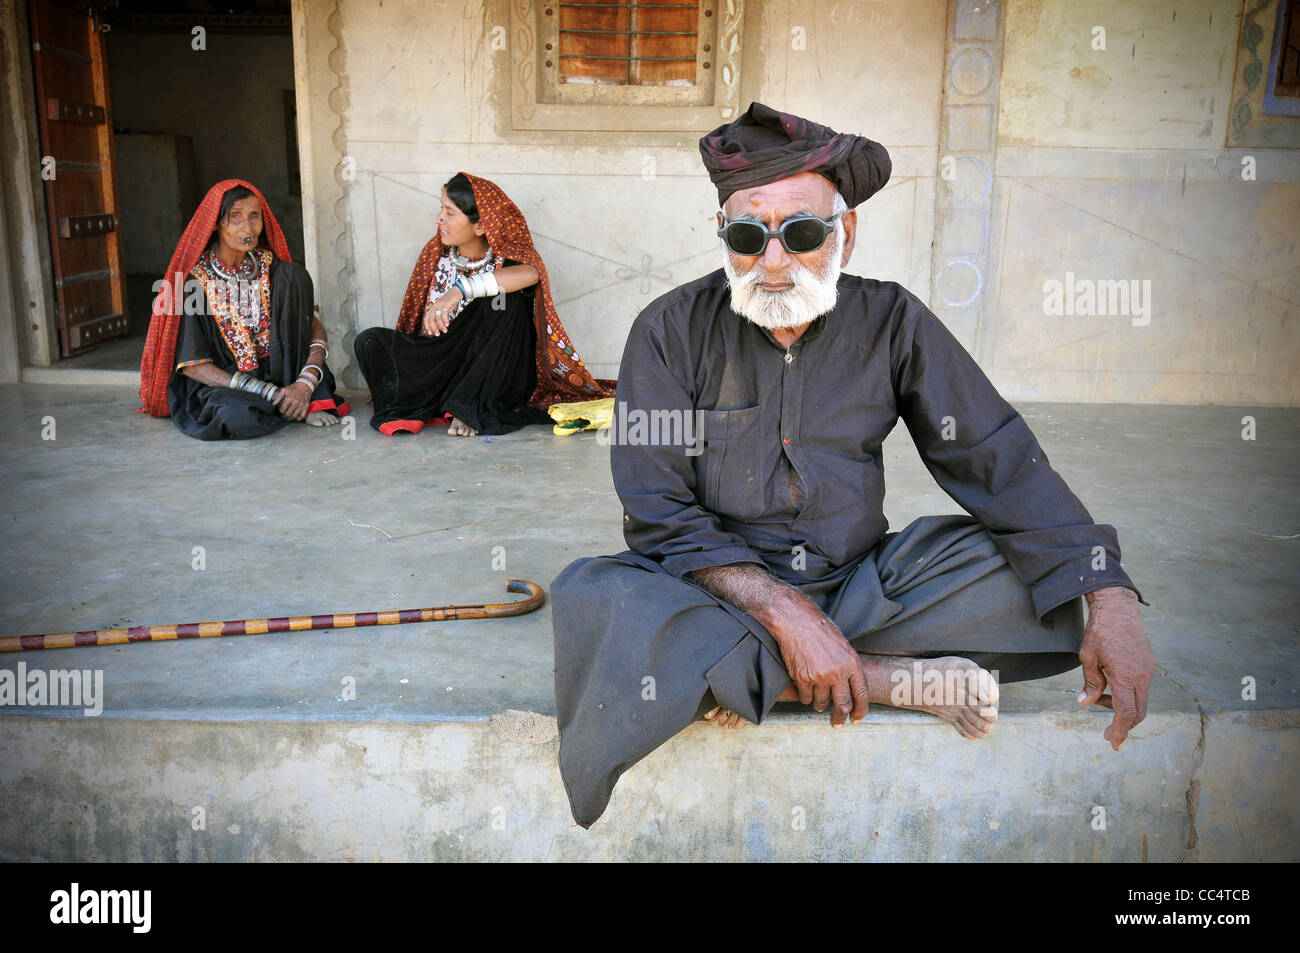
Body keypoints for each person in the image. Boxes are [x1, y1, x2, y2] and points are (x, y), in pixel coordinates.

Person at [550, 103, 1156, 828]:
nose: (773, 262)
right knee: (601, 598)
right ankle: (875, 673)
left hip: (867, 586)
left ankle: (748, 675)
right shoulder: (668, 330)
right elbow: (656, 510)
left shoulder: (892, 321)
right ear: (723, 236)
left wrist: (1109, 595)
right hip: (723, 589)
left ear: (847, 231)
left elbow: (997, 457)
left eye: (802, 234)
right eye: (748, 237)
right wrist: (785, 612)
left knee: (1024, 569)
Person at [354, 172, 613, 436]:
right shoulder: (434, 253)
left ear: (480, 225)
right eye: (441, 209)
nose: (439, 219)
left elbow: (531, 273)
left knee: (502, 301)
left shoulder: (510, 258)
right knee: (369, 341)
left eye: (449, 212)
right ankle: (440, 400)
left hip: (491, 369)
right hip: (442, 360)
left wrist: (461, 290)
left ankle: (471, 406)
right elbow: (413, 325)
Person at [138, 179, 350, 439]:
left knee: (295, 273)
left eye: (254, 217)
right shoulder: (195, 282)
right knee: (234, 413)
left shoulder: (272, 267)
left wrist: (304, 383)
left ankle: (297, 398)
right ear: (215, 223)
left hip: (282, 373)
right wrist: (269, 392)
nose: (247, 227)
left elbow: (312, 326)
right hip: (226, 381)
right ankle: (288, 404)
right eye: (235, 217)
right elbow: (193, 366)